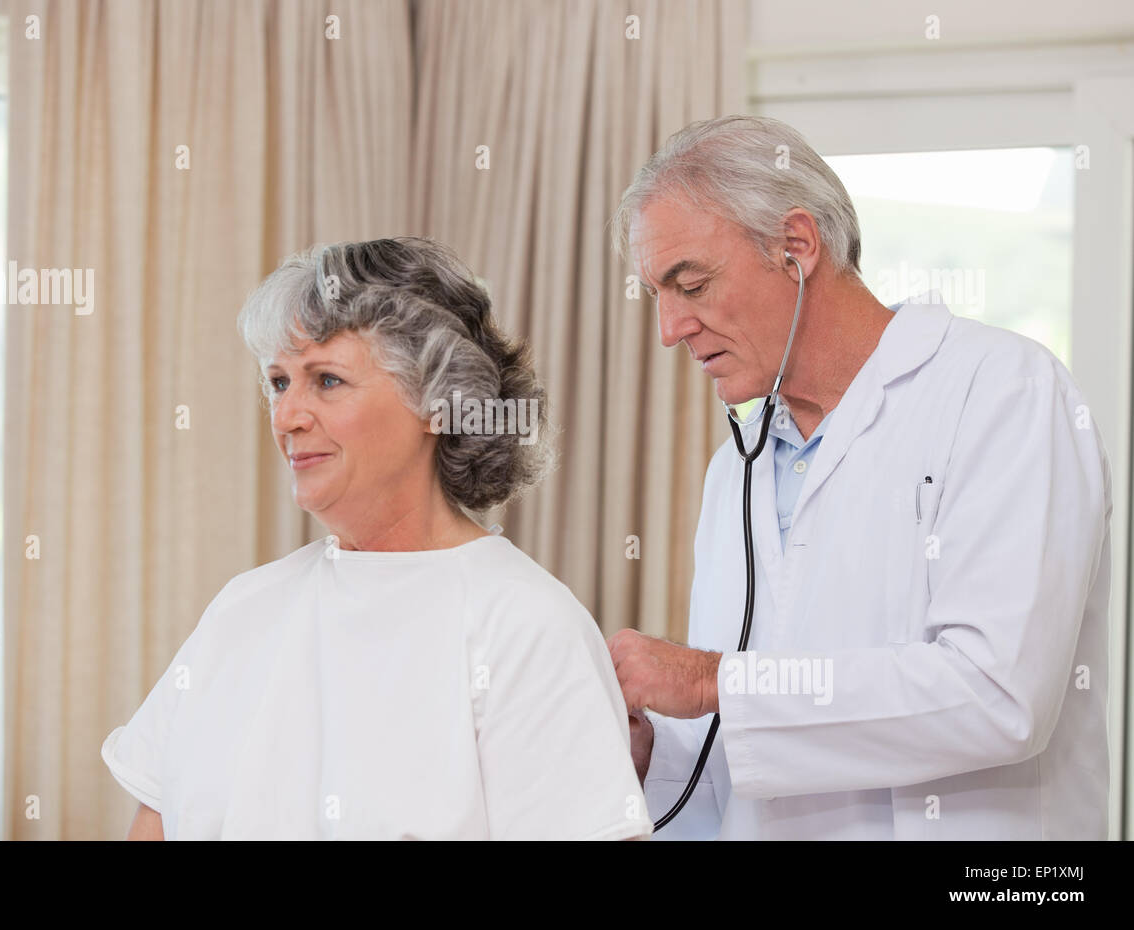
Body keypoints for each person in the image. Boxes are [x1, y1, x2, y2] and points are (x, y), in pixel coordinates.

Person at [607, 115, 1111, 839]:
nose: (670, 328)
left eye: (690, 284)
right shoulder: (736, 473)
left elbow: (999, 694)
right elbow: (738, 750)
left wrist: (710, 679)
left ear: (797, 247)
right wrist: (653, 756)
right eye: (657, 294)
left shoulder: (1004, 393)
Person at [101, 237, 653, 840]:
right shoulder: (244, 607)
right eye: (279, 382)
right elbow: (153, 823)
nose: (287, 418)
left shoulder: (525, 626)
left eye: (328, 380)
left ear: (437, 403)